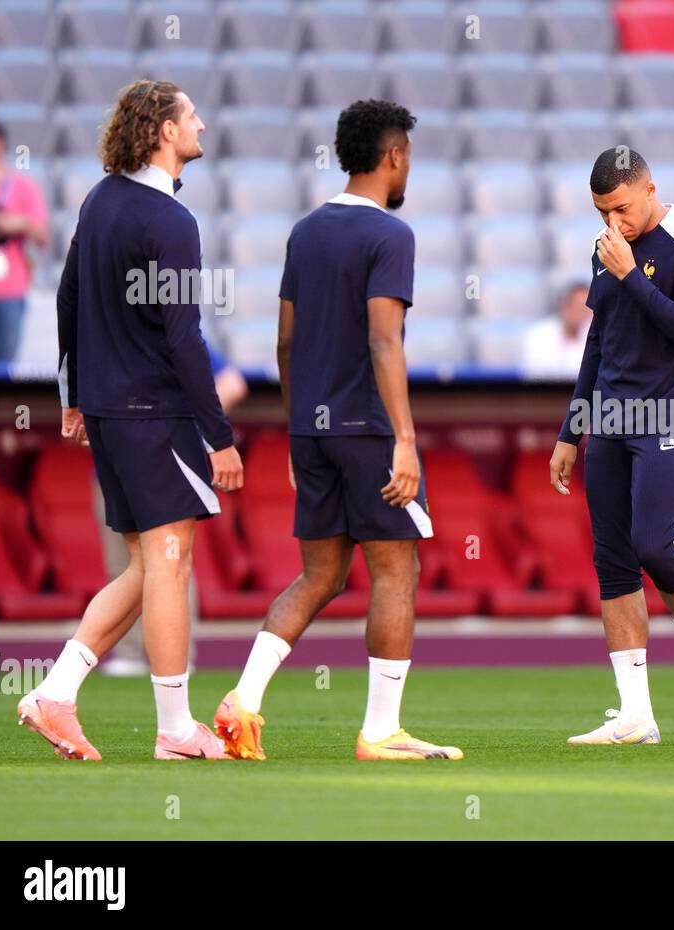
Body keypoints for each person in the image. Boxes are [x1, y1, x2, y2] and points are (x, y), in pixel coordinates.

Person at [213, 99, 462, 762]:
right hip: (369, 431)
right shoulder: (390, 236)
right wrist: (404, 440)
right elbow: (385, 341)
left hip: (314, 431)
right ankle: (381, 731)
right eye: (409, 155)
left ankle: (243, 701)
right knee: (395, 570)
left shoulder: (306, 232)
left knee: (319, 575)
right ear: (394, 156)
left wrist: (300, 430)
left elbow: (286, 342)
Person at [20, 80, 244, 761]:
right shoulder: (172, 220)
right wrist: (220, 437)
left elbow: (67, 298)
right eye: (191, 114)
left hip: (112, 410)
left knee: (149, 565)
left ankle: (54, 694)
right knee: (171, 563)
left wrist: (72, 394)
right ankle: (176, 731)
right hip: (155, 411)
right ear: (163, 132)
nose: (202, 122)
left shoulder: (98, 200)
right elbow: (183, 337)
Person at [549, 146, 674, 745]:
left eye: (622, 209)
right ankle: (636, 714)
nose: (613, 224)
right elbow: (597, 341)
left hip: (672, 414)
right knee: (612, 561)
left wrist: (631, 273)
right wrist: (570, 431)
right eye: (602, 212)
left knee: (654, 543)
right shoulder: (606, 249)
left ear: (650, 189)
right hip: (608, 415)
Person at [99, 343, 249, 677]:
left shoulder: (167, 329)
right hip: (120, 457)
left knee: (169, 560)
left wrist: (182, 421)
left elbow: (233, 382)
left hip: (162, 455)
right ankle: (130, 653)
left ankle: (172, 656)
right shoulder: (116, 332)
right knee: (132, 563)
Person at [0, 115, 48, 364]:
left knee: (4, 372)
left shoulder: (23, 187)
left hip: (10, 292)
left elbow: (43, 237)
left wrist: (20, 223)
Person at [521, 281, 591, 378]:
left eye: (587, 310)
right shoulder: (539, 335)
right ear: (564, 307)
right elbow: (533, 376)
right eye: (578, 308)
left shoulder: (598, 337)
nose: (583, 314)